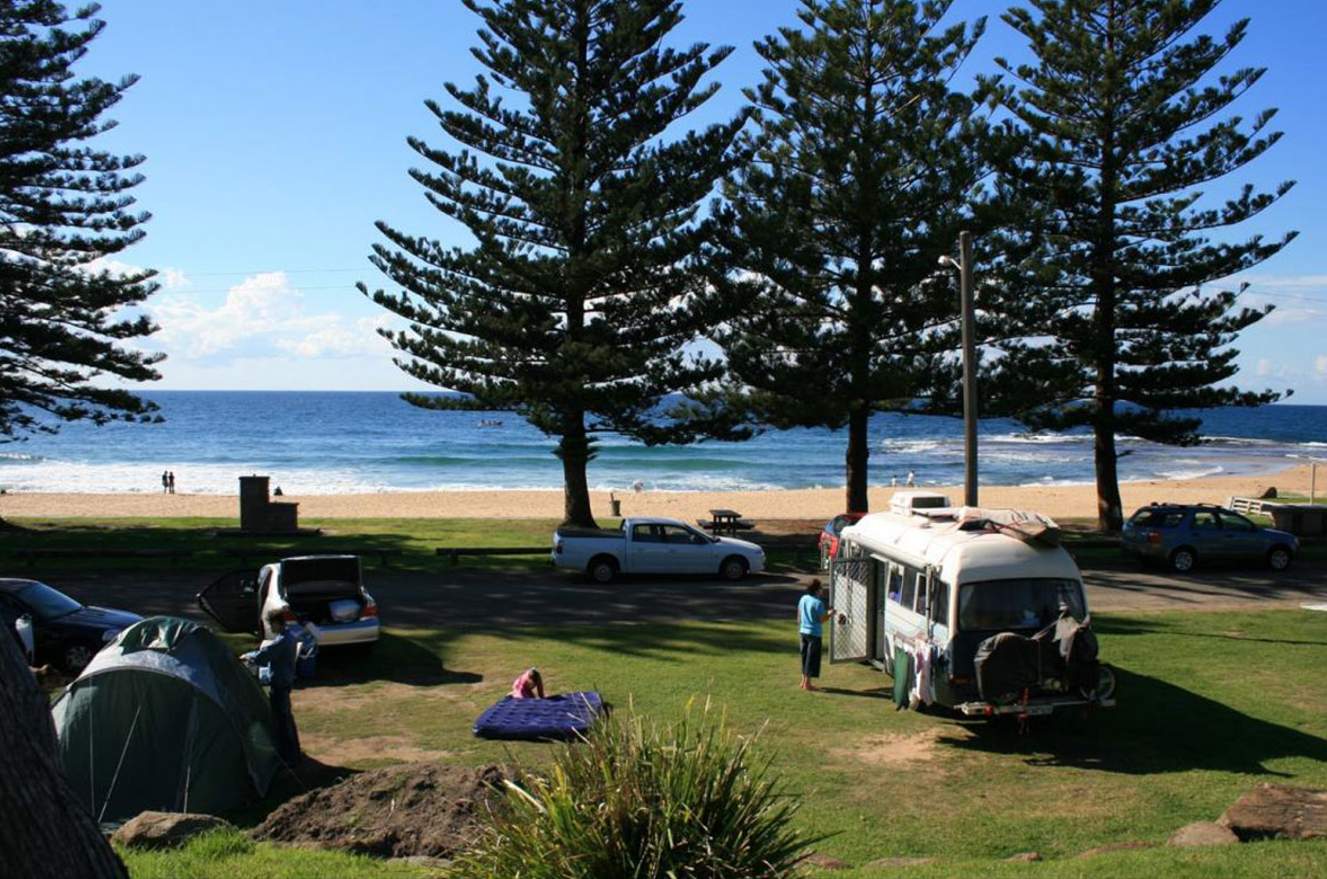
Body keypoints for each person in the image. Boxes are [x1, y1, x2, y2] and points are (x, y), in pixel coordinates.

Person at [248, 609, 301, 764]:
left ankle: (289, 757)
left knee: (282, 721)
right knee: (286, 718)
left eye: (271, 624)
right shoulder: (289, 637)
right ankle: (294, 752)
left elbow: (263, 656)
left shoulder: (281, 641)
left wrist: (248, 656)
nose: (270, 628)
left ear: (277, 623)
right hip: (286, 681)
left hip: (279, 684)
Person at [797, 580, 833, 691]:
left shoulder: (803, 598)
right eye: (821, 588)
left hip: (803, 631)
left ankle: (803, 681)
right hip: (814, 634)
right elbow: (821, 619)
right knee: (811, 658)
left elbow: (799, 614)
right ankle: (808, 684)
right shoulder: (818, 603)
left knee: (804, 657)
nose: (822, 590)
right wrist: (830, 614)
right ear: (817, 590)